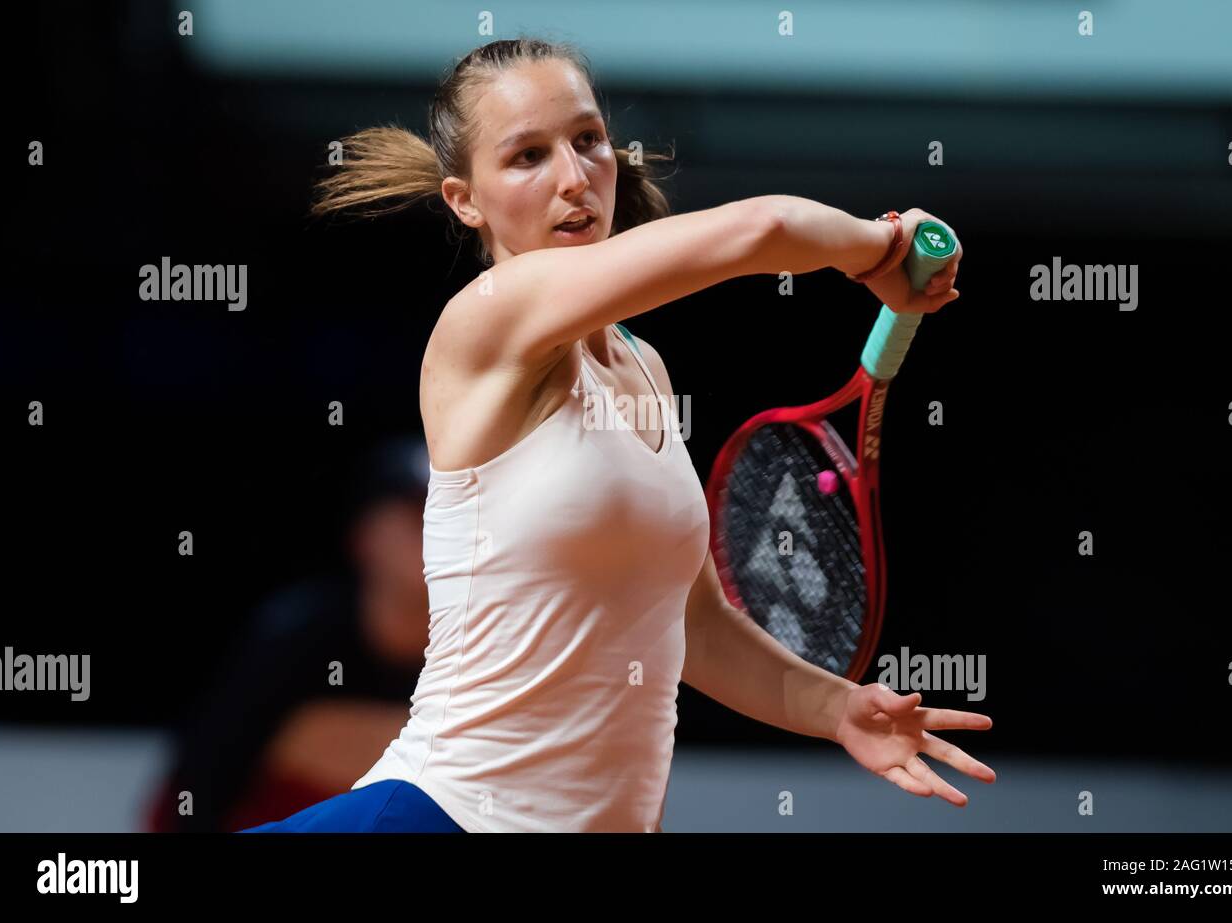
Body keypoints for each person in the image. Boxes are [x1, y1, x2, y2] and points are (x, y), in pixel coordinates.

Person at [245, 36, 987, 834]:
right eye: (528, 155)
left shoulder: (644, 368)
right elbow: (759, 230)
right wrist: (883, 245)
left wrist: (837, 708)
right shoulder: (488, 320)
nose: (574, 177)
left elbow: (693, 624)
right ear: (466, 199)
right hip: (438, 817)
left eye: (588, 140)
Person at [148, 437, 434, 832]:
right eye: (417, 513)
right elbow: (193, 794)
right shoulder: (293, 644)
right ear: (364, 536)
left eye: (455, 513)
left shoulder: (495, 646)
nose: (438, 529)